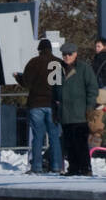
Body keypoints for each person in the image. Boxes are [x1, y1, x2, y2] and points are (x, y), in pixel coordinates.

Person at [14, 38, 63, 175]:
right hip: (52, 104)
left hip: (36, 103)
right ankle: (56, 166)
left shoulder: (34, 62)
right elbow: (58, 85)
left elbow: (27, 82)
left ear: (39, 50)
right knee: (54, 136)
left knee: (38, 137)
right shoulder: (57, 63)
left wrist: (18, 77)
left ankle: (36, 167)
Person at [59, 41, 98, 176]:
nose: (67, 57)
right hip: (65, 113)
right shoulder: (57, 69)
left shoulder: (84, 68)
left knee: (80, 143)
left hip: (80, 113)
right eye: (64, 54)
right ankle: (73, 168)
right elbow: (53, 89)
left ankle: (85, 168)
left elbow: (92, 88)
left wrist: (89, 107)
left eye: (69, 54)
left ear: (75, 54)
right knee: (69, 143)